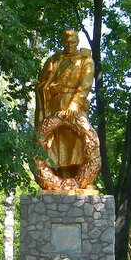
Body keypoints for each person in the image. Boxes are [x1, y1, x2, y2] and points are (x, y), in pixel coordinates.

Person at [35, 30, 94, 178]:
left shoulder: (85, 60)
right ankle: (61, 174)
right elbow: (42, 83)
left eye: (73, 42)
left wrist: (74, 104)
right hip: (55, 105)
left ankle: (80, 175)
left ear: (78, 41)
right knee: (55, 141)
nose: (70, 45)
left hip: (74, 105)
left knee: (76, 139)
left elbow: (85, 86)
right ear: (62, 42)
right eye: (67, 42)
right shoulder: (54, 60)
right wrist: (50, 88)